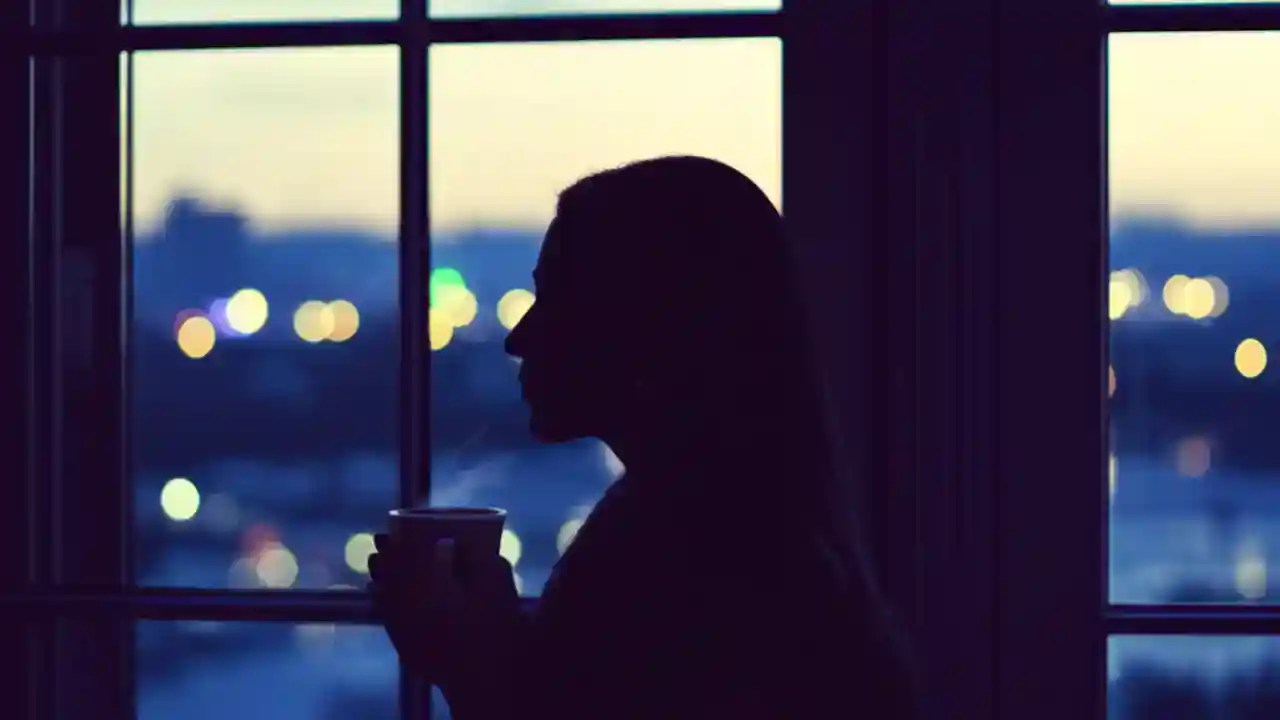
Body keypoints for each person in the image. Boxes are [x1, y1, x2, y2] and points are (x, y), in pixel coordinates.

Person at [368, 155, 922, 719]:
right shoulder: (736, 539)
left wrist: (473, 665)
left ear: (648, 325)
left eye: (558, 300)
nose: (520, 337)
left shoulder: (701, 572)